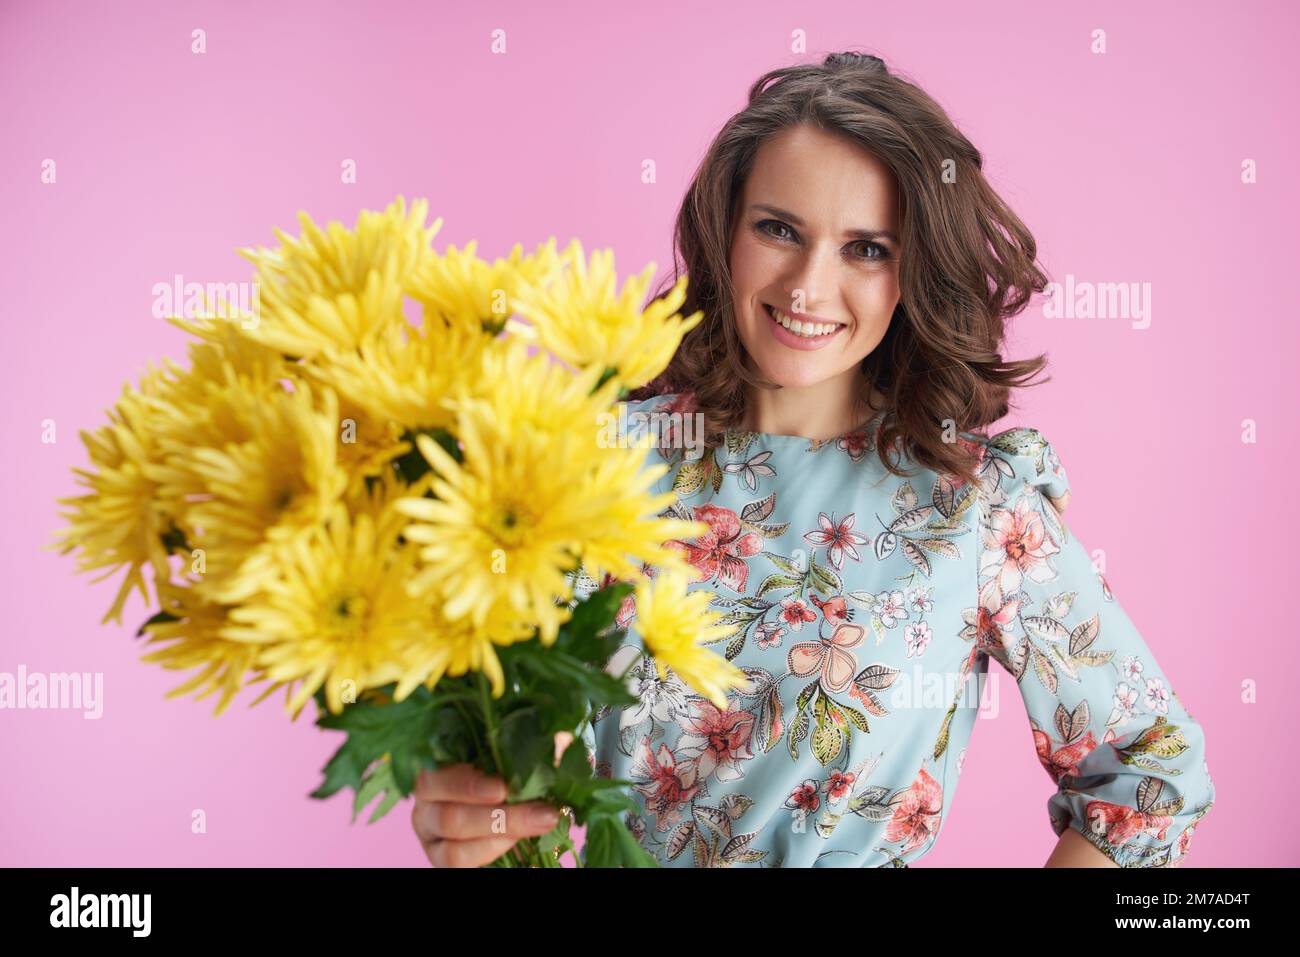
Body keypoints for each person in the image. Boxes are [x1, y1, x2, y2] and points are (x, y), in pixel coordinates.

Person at [411, 51, 1215, 868]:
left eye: (866, 248)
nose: (807, 285)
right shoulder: (585, 465)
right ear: (725, 230)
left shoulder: (976, 505)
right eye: (779, 229)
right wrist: (473, 812)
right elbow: (511, 757)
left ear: (913, 270)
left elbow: (1150, 773)